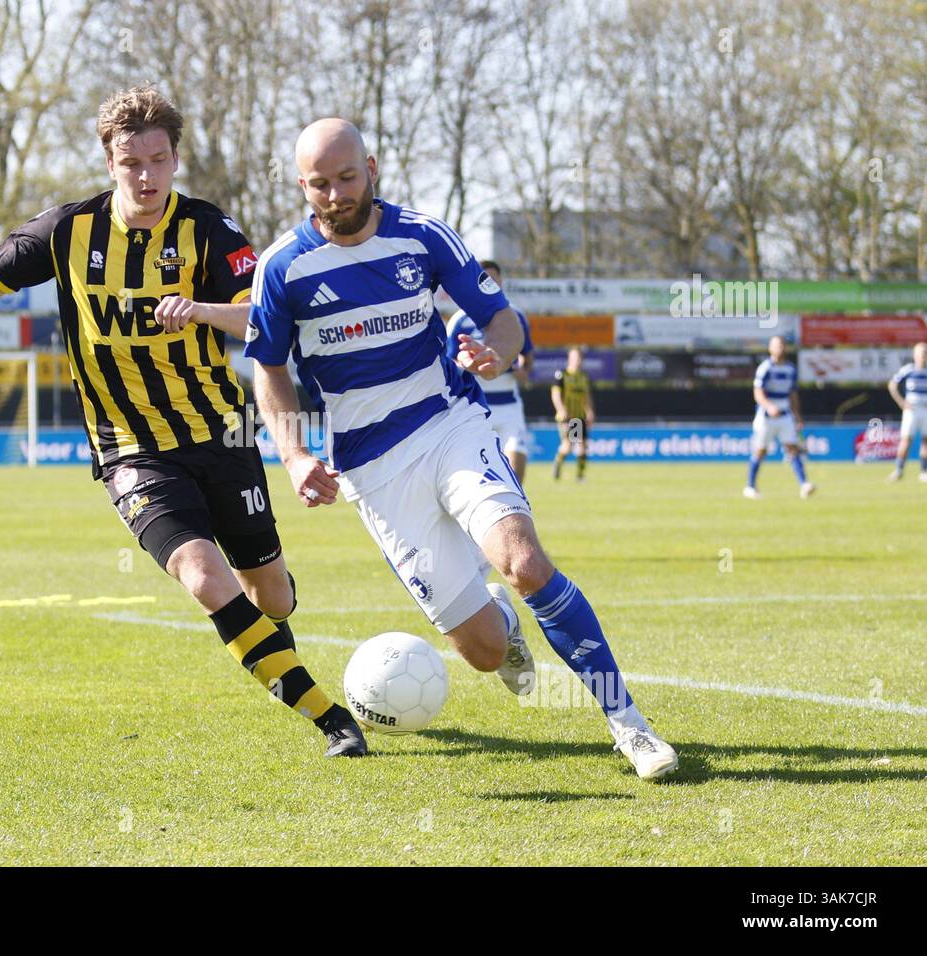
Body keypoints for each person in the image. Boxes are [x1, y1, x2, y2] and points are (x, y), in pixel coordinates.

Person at [0, 87, 365, 758]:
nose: (146, 178)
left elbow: (266, 320)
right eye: (130, 163)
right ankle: (331, 720)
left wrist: (203, 310)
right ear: (108, 161)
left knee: (272, 595)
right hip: (130, 450)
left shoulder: (210, 230)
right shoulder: (66, 231)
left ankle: (279, 610)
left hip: (221, 436)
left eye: (158, 160)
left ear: (176, 159)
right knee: (206, 578)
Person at [246, 118, 678, 780]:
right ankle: (501, 626)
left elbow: (504, 321)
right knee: (479, 650)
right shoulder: (284, 267)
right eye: (319, 184)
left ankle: (629, 723)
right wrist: (295, 454)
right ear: (302, 185)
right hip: (370, 468)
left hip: (449, 423)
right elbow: (268, 369)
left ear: (374, 168)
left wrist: (497, 355)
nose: (334, 195)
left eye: (347, 178)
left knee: (525, 561)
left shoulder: (423, 235)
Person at [445, 260, 534, 483]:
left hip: (510, 404)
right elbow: (448, 363)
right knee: (476, 478)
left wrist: (523, 370)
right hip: (475, 406)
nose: (491, 282)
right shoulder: (460, 320)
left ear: (501, 281)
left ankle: (516, 506)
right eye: (486, 279)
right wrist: (468, 364)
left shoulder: (515, 316)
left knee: (516, 466)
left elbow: (527, 358)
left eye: (495, 278)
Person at [744, 335, 814, 499]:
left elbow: (793, 394)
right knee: (760, 450)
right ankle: (750, 486)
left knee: (792, 448)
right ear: (770, 348)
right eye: (777, 345)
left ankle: (804, 485)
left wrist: (797, 415)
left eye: (782, 345)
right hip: (767, 416)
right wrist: (769, 406)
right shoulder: (765, 368)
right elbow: (758, 393)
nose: (780, 348)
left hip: (785, 415)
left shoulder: (790, 369)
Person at [550, 347, 592, 482]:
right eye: (574, 358)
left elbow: (587, 396)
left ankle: (580, 476)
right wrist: (561, 410)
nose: (577, 361)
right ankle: (557, 465)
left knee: (583, 446)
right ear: (569, 358)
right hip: (568, 417)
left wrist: (590, 411)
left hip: (579, 416)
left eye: (579, 358)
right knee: (568, 446)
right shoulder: (562, 375)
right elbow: (555, 394)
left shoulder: (583, 376)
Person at [887, 342, 927, 482]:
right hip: (912, 411)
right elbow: (892, 385)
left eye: (925, 353)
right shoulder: (908, 370)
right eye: (921, 353)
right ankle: (899, 470)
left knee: (925, 441)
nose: (924, 356)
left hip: (925, 410)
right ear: (915, 355)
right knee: (906, 440)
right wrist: (901, 402)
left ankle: (924, 472)